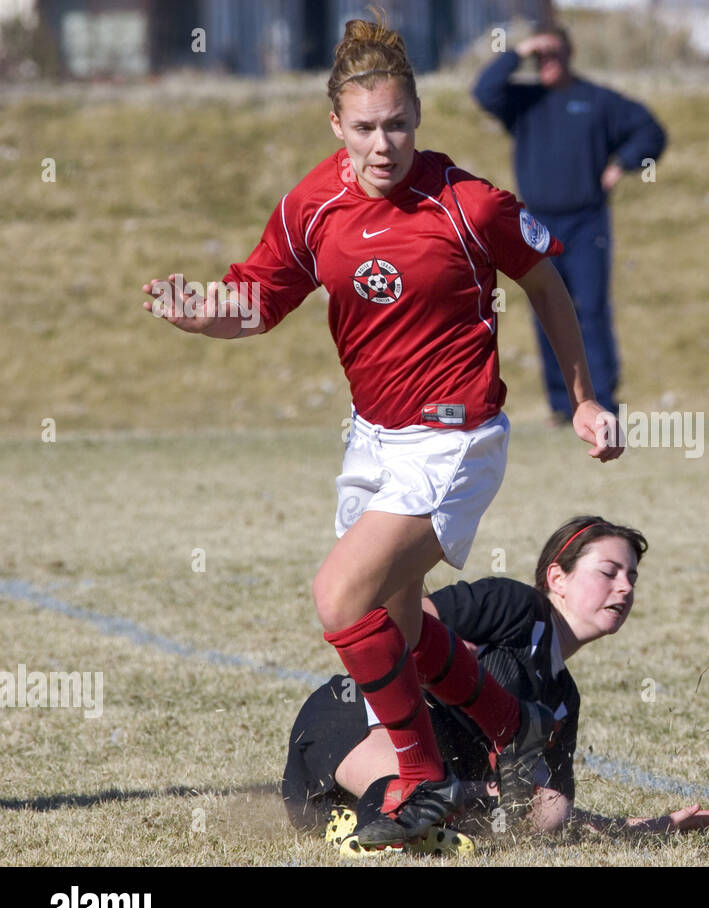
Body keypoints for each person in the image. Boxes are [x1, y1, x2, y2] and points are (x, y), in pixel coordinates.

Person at [142, 13, 622, 852]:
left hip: (455, 440)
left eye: (397, 123)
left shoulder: (467, 202)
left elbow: (546, 282)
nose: (383, 143)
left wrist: (583, 397)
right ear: (337, 124)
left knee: (340, 598)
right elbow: (256, 301)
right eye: (364, 127)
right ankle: (513, 725)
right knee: (400, 631)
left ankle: (421, 775)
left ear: (417, 118)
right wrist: (201, 315)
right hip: (373, 439)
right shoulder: (312, 203)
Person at [283, 516, 709, 855]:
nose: (625, 588)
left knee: (544, 811)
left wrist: (642, 827)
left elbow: (544, 811)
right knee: (414, 789)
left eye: (632, 578)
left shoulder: (564, 698)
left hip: (423, 784)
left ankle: (370, 821)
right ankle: (385, 820)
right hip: (356, 720)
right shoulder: (516, 606)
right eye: (609, 572)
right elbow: (405, 625)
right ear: (556, 577)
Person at [472, 23, 667, 422]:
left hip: (586, 222)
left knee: (590, 308)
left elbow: (651, 132)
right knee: (546, 305)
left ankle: (603, 399)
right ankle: (564, 404)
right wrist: (519, 50)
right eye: (540, 56)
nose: (548, 63)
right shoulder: (524, 101)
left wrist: (622, 164)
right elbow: (483, 90)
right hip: (537, 225)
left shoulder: (596, 101)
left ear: (569, 54)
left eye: (554, 54)